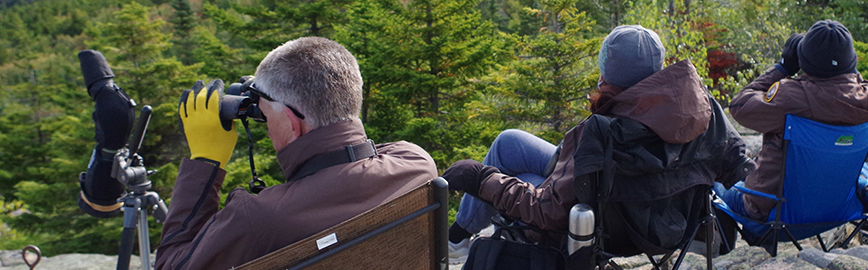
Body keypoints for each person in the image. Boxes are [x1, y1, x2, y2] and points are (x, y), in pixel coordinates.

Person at [440, 25, 751, 261]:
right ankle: (457, 238)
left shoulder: (603, 131)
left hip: (607, 233)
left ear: (607, 73)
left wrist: (480, 179)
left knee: (522, 178)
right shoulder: (702, 109)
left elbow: (548, 212)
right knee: (509, 142)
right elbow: (739, 165)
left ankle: (456, 241)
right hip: (670, 222)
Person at [154, 37, 438, 270]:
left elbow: (171, 264)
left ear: (291, 122)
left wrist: (205, 161)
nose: (265, 126)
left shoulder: (258, 218)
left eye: (265, 115)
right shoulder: (416, 165)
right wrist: (273, 92)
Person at [722, 20, 868, 222]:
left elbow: (739, 106)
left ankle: (718, 250)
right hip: (835, 210)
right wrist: (846, 68)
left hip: (774, 213)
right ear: (851, 61)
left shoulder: (790, 97)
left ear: (804, 62)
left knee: (718, 185)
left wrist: (783, 67)